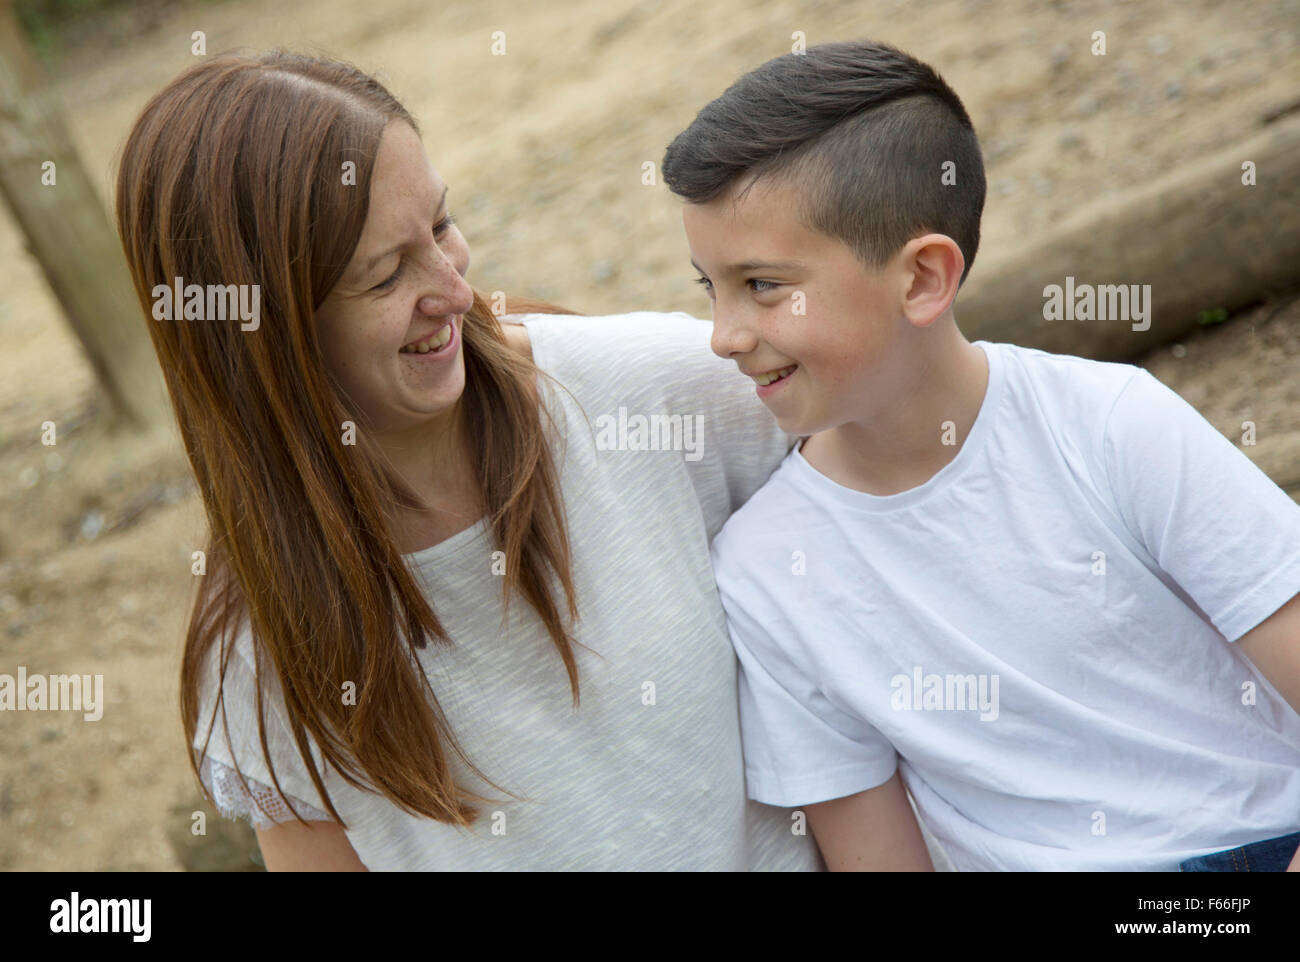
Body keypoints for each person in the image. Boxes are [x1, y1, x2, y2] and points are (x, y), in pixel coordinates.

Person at [114, 49, 824, 871]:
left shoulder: (656, 395)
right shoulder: (256, 652)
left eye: (442, 226)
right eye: (384, 277)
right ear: (268, 345)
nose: (455, 291)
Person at [661, 39, 1300, 872]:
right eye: (709, 287)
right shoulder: (763, 572)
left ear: (924, 278)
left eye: (765, 286)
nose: (725, 336)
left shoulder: (1110, 427)